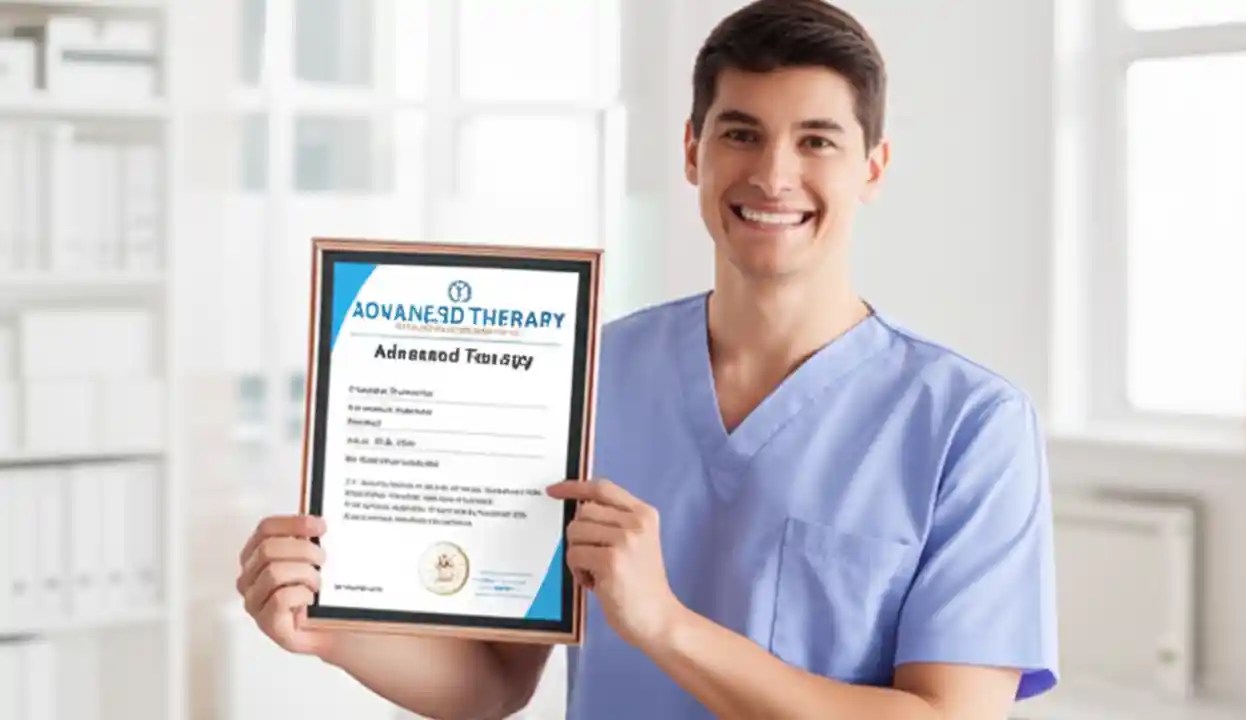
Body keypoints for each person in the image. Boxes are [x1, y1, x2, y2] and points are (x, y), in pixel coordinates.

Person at [235, 1, 1059, 717]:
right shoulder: (584, 378)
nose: (774, 174)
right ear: (693, 152)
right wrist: (332, 630)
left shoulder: (970, 427)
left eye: (817, 141)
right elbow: (494, 683)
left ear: (872, 168)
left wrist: (664, 624)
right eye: (741, 134)